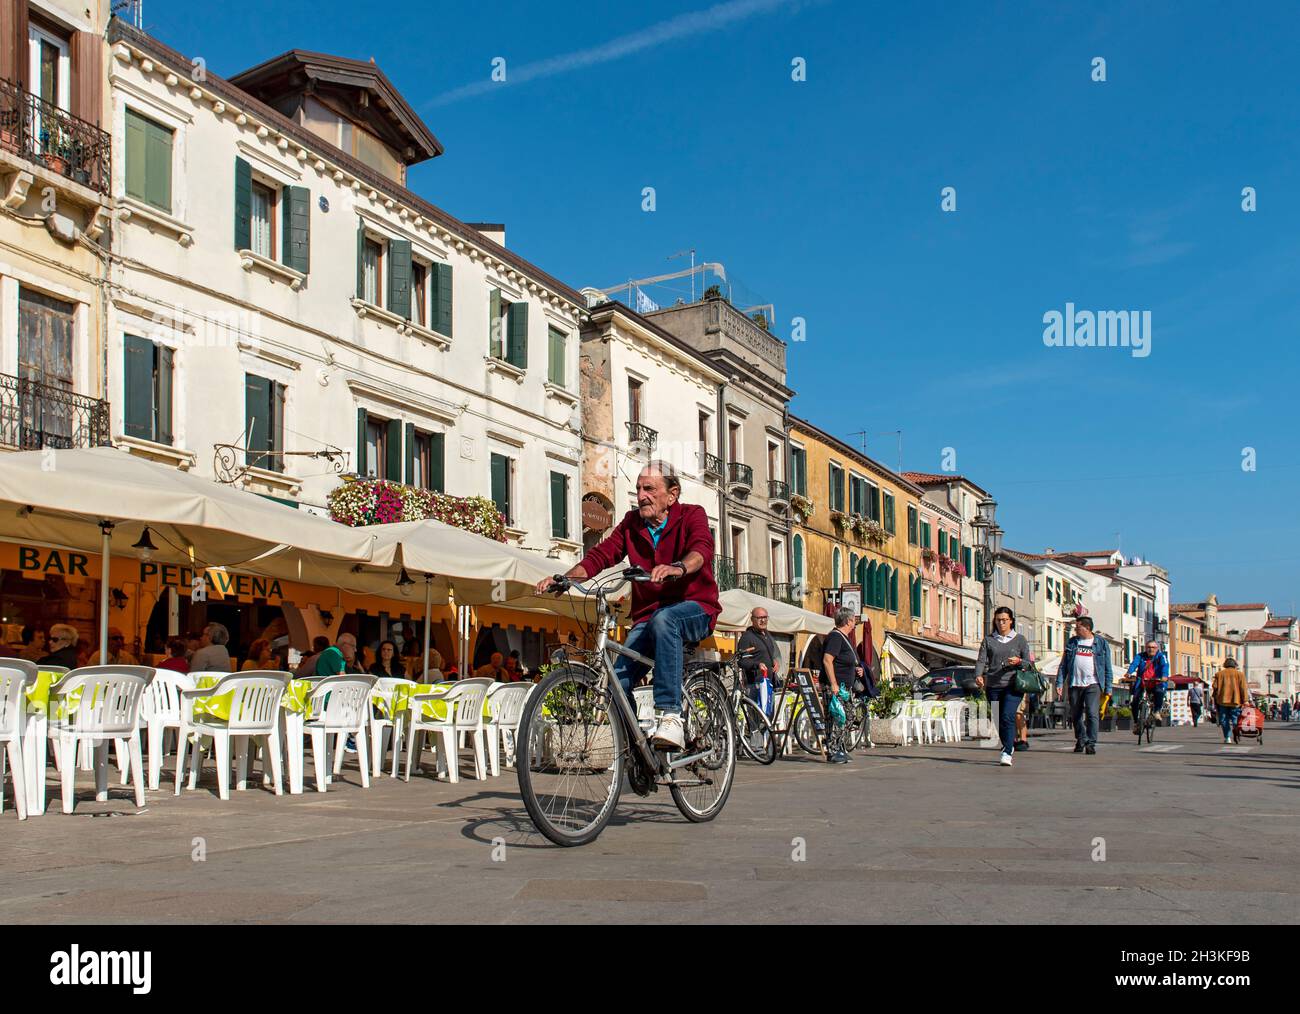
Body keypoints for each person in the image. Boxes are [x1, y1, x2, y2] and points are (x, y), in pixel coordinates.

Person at [536, 460, 719, 750]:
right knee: (617, 682)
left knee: (666, 619)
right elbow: (603, 554)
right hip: (649, 616)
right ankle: (638, 751)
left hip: (695, 606)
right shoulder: (632, 523)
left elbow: (701, 550)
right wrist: (567, 578)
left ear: (671, 495)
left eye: (650, 489)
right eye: (638, 489)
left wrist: (678, 568)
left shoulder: (691, 515)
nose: (642, 495)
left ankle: (670, 716)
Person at [975, 606, 1034, 766]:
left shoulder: (1020, 640)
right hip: (993, 685)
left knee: (1008, 716)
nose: (1001, 623)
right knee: (997, 719)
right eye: (998, 620)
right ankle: (1007, 744)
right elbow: (981, 660)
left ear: (1011, 621)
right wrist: (978, 675)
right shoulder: (989, 640)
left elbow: (1029, 664)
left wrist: (1020, 661)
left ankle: (1007, 751)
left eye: (1005, 620)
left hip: (1013, 685)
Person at [1054, 616, 1113, 756]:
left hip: (1093, 684)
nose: (1075, 629)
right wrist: (1060, 682)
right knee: (1076, 715)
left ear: (1087, 628)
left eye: (1077, 627)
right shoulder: (1072, 642)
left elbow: (1107, 667)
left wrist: (1108, 688)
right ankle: (1081, 739)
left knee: (1092, 714)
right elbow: (1064, 664)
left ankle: (1091, 743)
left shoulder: (1101, 643)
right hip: (1075, 683)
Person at [820, 607, 860, 765]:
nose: (855, 623)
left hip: (844, 688)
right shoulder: (835, 637)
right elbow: (827, 660)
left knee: (848, 716)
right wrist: (834, 683)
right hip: (836, 687)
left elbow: (844, 659)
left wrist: (857, 668)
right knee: (837, 717)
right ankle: (833, 750)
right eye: (854, 619)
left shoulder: (844, 638)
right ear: (848, 621)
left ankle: (839, 747)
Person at [737, 607, 779, 711]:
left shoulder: (767, 634)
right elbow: (742, 661)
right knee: (756, 719)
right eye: (759, 618)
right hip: (755, 685)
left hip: (768, 683)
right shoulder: (747, 637)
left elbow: (766, 653)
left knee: (768, 718)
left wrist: (773, 660)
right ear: (752, 619)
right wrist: (757, 665)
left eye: (765, 617)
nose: (763, 620)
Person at [1126, 639, 1169, 733]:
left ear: (1157, 648)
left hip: (1156, 682)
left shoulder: (1161, 656)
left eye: (1153, 647)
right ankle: (1137, 723)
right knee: (1135, 701)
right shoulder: (1140, 656)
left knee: (1159, 692)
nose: (1151, 649)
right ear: (1146, 648)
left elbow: (1164, 666)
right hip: (1142, 682)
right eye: (1149, 647)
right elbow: (1134, 664)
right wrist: (1129, 672)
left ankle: (1156, 711)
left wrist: (1164, 676)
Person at [1212, 657, 1247, 744]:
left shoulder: (1219, 674)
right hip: (1236, 700)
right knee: (1235, 719)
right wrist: (1245, 700)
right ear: (1235, 665)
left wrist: (1215, 697)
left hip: (1222, 700)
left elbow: (1215, 687)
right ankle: (1236, 732)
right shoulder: (1240, 674)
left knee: (1224, 720)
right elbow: (1243, 688)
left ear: (1225, 665)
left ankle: (1227, 737)